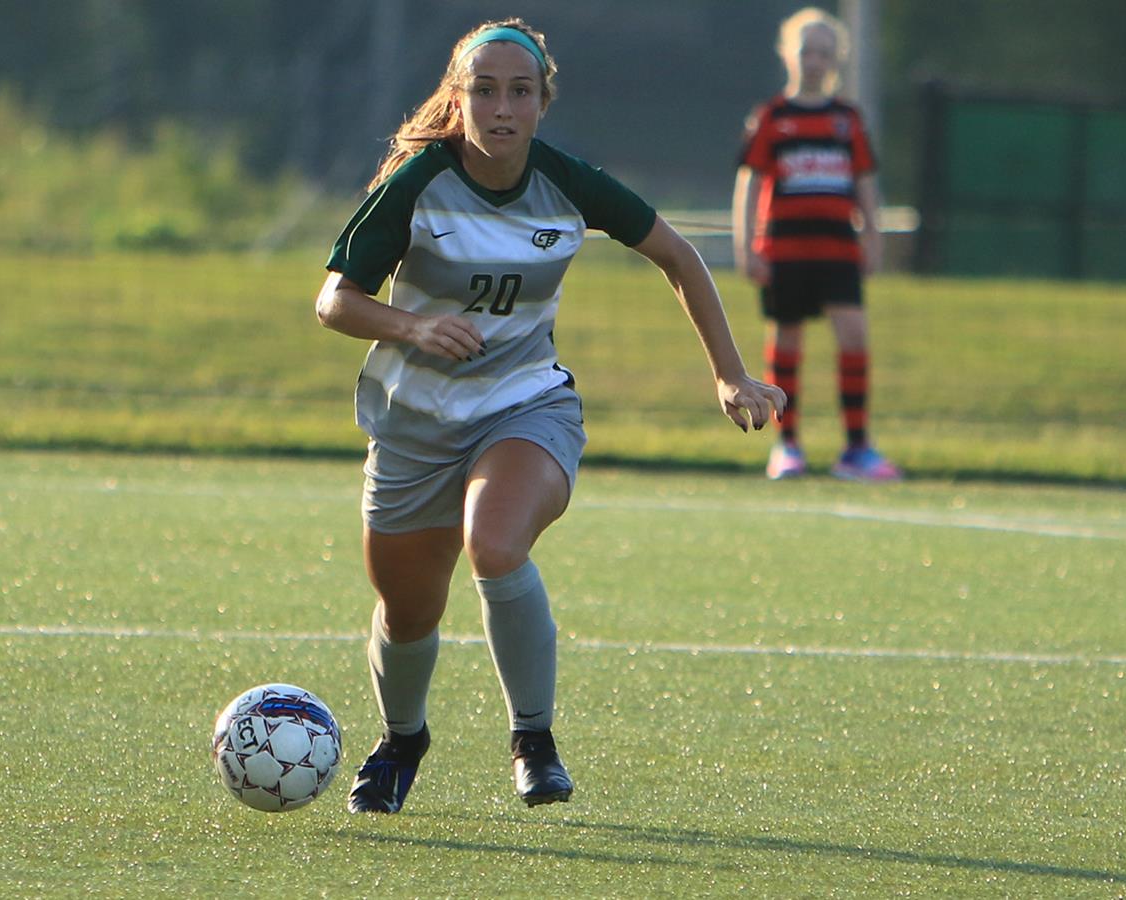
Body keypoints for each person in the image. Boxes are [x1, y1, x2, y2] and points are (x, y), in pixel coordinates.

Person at [315, 19, 785, 814]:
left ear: (542, 103)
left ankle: (533, 740)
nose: (503, 108)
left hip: (526, 406)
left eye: (520, 92)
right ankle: (402, 739)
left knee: (495, 545)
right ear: (459, 102)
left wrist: (731, 375)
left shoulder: (567, 181)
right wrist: (415, 326)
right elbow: (335, 302)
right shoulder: (420, 183)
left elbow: (678, 255)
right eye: (486, 91)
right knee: (406, 609)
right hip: (413, 422)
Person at [732, 7, 902, 481]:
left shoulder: (847, 120)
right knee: (787, 339)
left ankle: (857, 449)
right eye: (807, 50)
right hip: (785, 252)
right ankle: (787, 447)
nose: (816, 60)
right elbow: (749, 185)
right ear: (789, 54)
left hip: (838, 252)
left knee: (853, 336)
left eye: (826, 52)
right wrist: (747, 246)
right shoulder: (772, 118)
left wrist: (873, 235)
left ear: (837, 60)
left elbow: (865, 184)